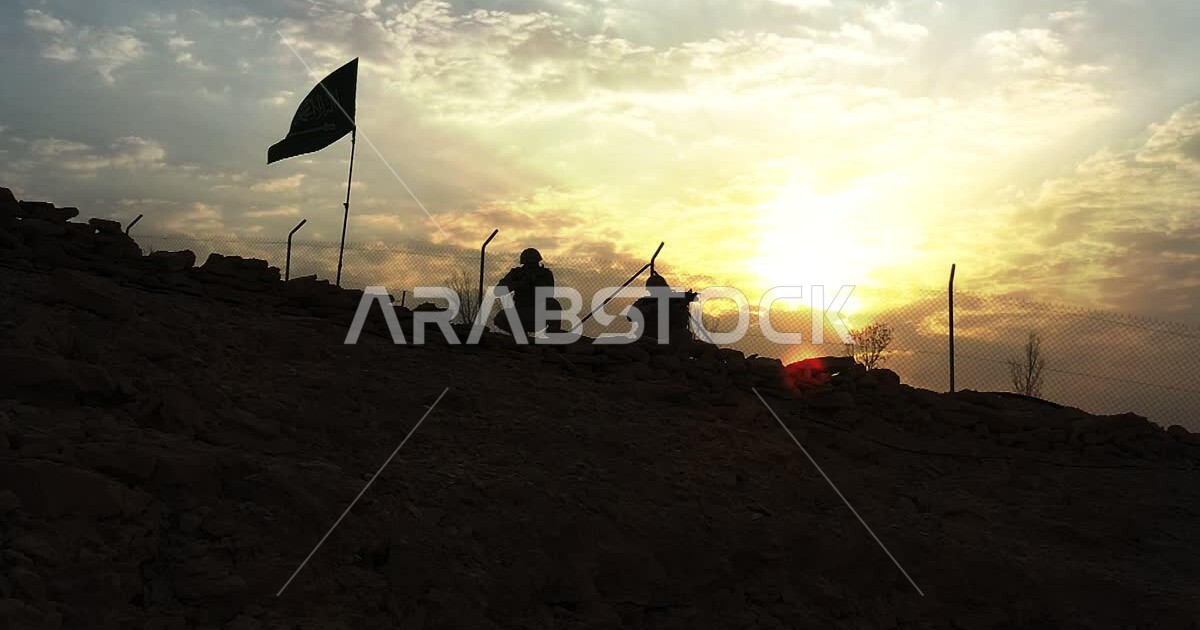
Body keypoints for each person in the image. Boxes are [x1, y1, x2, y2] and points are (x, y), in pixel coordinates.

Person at [494, 248, 561, 338]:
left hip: (539, 314)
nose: (532, 268)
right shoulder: (517, 273)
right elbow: (498, 291)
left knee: (554, 305)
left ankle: (552, 337)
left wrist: (536, 282)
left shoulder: (545, 274)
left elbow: (549, 293)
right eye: (529, 265)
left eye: (534, 265)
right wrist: (519, 283)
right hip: (522, 312)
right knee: (500, 318)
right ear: (524, 264)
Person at [628, 271, 698, 345]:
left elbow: (681, 323)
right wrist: (652, 307)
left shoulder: (671, 303)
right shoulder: (644, 301)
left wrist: (682, 306)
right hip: (649, 339)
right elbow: (630, 316)